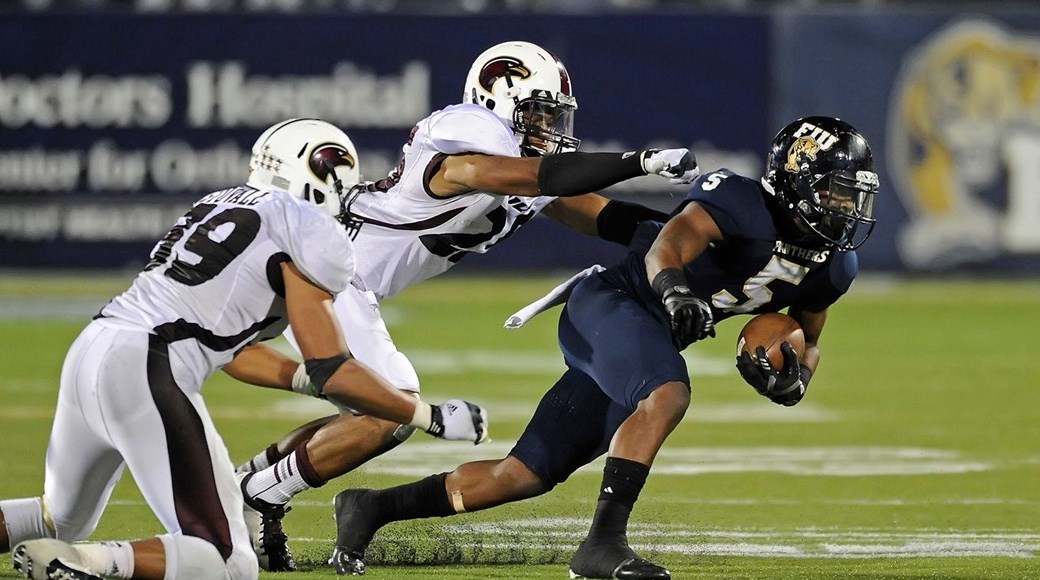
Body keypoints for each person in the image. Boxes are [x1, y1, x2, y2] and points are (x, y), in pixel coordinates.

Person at [328, 116, 880, 579]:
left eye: (853, 194)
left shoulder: (835, 265)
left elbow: (808, 339)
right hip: (611, 305)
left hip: (643, 337)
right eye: (835, 190)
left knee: (524, 474)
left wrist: (795, 378)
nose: (846, 206)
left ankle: (371, 508)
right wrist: (676, 292)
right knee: (666, 393)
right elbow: (667, 247)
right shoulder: (739, 201)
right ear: (795, 180)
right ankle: (602, 545)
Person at [231, 40, 699, 572]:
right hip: (327, 274)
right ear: (496, 101)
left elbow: (607, 218)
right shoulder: (467, 138)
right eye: (539, 113)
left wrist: (694, 235)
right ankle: (258, 493)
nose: (549, 126)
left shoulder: (524, 166)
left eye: (554, 115)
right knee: (392, 409)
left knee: (367, 407)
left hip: (338, 280)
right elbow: (518, 177)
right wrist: (638, 161)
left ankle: (248, 481)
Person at [0, 118, 491, 580]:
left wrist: (301, 380)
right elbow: (332, 366)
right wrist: (428, 415)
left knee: (57, 515)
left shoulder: (216, 203)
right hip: (145, 367)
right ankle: (86, 563)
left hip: (95, 347)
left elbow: (233, 349)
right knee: (226, 559)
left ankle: (68, 547)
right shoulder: (309, 228)